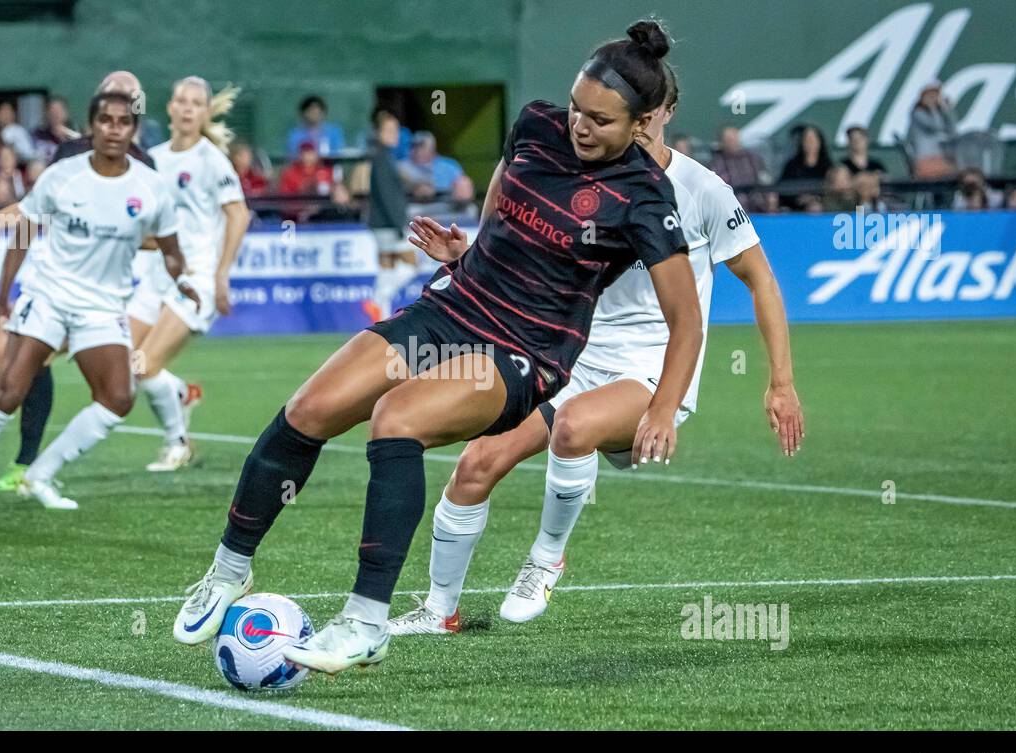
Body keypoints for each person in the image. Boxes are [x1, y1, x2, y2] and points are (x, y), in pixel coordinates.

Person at [171, 20, 699, 675]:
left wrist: (662, 407)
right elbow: (502, 203)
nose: (580, 125)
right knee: (311, 407)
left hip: (525, 351)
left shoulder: (646, 197)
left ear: (642, 121)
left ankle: (365, 621)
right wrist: (471, 251)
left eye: (600, 119)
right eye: (575, 107)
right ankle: (228, 569)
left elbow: (688, 320)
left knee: (398, 418)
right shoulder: (536, 124)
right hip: (454, 305)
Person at [389, 62, 802, 635]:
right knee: (477, 462)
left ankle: (545, 559)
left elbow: (761, 280)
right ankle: (439, 612)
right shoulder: (578, 174)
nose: (624, 129)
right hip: (566, 350)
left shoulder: (702, 190)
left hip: (649, 368)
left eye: (645, 117)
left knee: (574, 427)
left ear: (661, 115)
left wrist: (779, 383)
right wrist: (471, 254)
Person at [0, 91, 191, 514]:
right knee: (8, 392)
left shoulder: (151, 186)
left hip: (102, 307)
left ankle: (39, 474)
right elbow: (24, 232)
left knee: (118, 398)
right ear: (92, 126)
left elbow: (170, 248)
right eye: (105, 120)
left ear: (133, 130)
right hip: (49, 295)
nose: (113, 128)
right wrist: (1, 300)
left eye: (123, 122)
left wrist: (184, 280)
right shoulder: (62, 175)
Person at [126, 77, 247, 471]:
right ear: (171, 107)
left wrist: (221, 274)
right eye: (182, 100)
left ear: (205, 112)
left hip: (195, 280)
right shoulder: (154, 158)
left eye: (197, 102)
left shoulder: (211, 160)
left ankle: (177, 444)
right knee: (122, 365)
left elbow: (238, 215)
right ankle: (180, 393)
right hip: (156, 275)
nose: (188, 107)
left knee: (144, 365)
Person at [354, 107, 416, 323]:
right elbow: (387, 194)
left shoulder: (381, 155)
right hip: (389, 223)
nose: (394, 135)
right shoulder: (382, 157)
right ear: (379, 132)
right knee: (411, 266)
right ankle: (379, 299)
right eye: (389, 130)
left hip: (380, 223)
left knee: (386, 267)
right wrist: (400, 224)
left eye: (396, 130)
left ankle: (381, 315)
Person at [907, 82, 956, 179]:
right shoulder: (918, 113)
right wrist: (933, 108)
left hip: (940, 158)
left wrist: (947, 110)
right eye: (930, 95)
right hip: (925, 160)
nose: (934, 98)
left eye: (936, 95)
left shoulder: (940, 113)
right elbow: (936, 127)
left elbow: (953, 132)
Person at [397, 131, 467, 199]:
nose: (417, 151)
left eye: (422, 147)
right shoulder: (401, 166)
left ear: (432, 149)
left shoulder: (449, 166)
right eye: (414, 146)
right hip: (414, 204)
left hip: (448, 204)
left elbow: (464, 186)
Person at [779, 124, 832, 211]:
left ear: (819, 142)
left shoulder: (828, 165)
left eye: (813, 139)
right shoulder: (792, 165)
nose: (810, 143)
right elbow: (783, 189)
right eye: (807, 139)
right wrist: (799, 199)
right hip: (795, 209)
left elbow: (833, 189)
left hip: (823, 209)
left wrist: (817, 199)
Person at [32, 96, 80, 165]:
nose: (56, 114)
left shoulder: (75, 131)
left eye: (59, 110)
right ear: (47, 113)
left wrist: (64, 137)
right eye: (52, 110)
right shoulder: (39, 134)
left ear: (66, 113)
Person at [0, 99, 37, 163]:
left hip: (24, 164)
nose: (7, 115)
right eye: (3, 112)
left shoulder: (16, 129)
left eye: (9, 111)